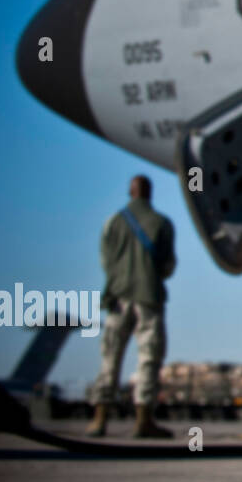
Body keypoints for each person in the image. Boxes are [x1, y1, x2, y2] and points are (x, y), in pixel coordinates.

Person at [87, 174, 177, 438]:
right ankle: (143, 420)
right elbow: (168, 265)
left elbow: (106, 260)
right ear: (150, 193)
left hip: (117, 297)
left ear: (130, 192)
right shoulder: (161, 223)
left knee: (110, 357)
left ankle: (99, 418)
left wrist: (120, 279)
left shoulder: (113, 223)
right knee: (149, 357)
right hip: (148, 297)